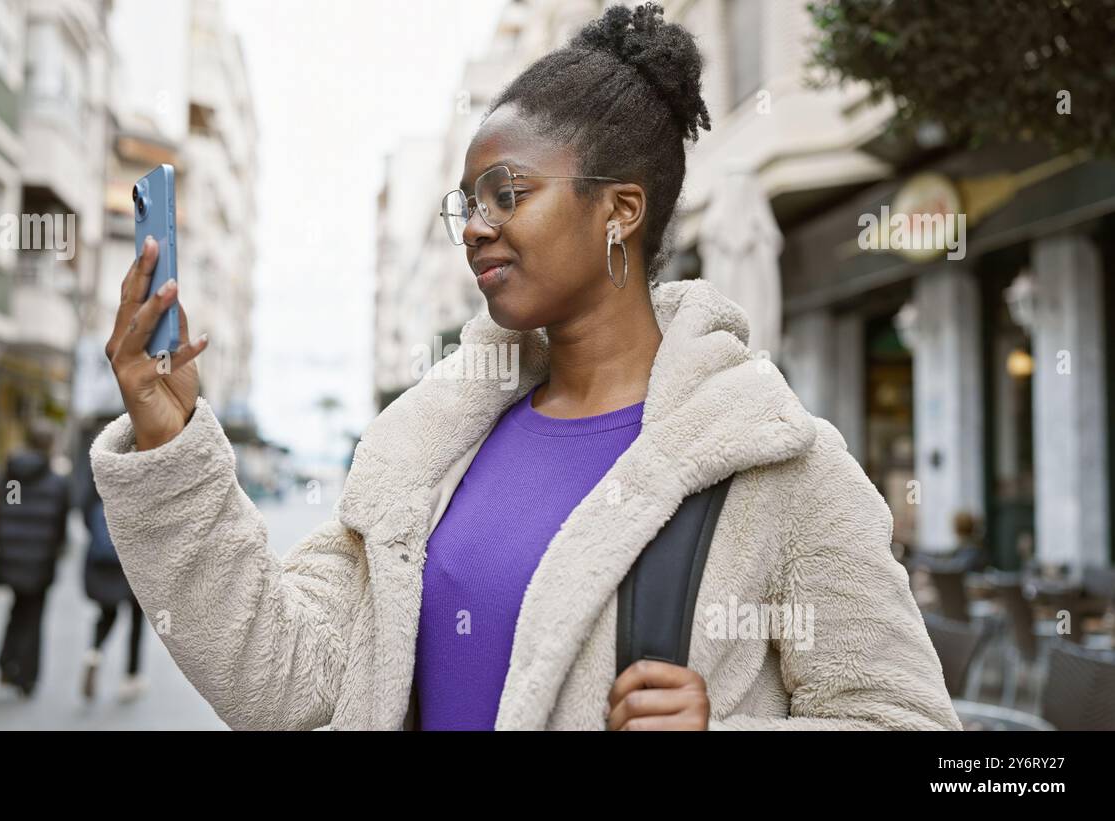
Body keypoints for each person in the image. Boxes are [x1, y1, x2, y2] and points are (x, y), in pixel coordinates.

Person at [90, 3, 961, 730]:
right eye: (465, 204)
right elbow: (278, 672)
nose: (474, 226)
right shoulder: (428, 450)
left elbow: (907, 719)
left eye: (507, 194)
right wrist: (170, 440)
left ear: (621, 211)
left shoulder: (780, 466)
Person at [0, 420, 70, 698]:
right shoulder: (57, 482)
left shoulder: (10, 475)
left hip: (11, 557)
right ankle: (27, 675)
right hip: (39, 561)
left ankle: (5, 663)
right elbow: (60, 528)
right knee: (33, 615)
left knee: (16, 608)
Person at [79, 456, 147, 702]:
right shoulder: (146, 462)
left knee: (107, 613)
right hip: (136, 557)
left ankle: (94, 652)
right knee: (137, 618)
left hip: (104, 556)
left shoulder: (101, 461)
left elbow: (86, 509)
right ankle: (131, 676)